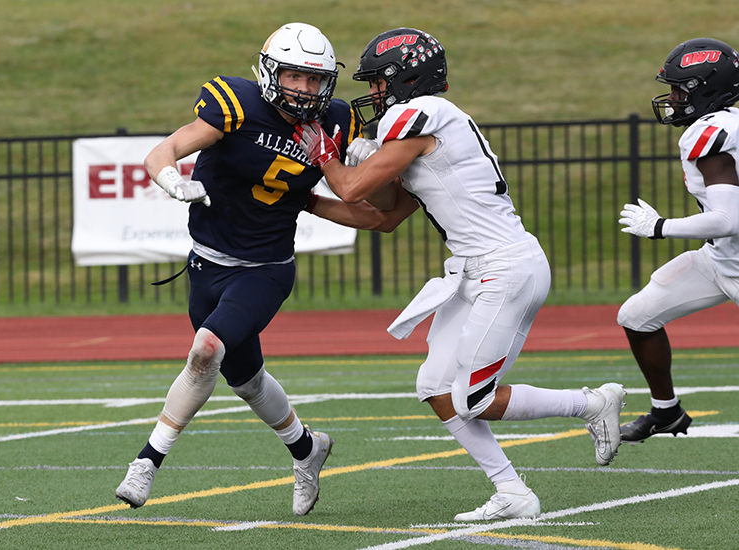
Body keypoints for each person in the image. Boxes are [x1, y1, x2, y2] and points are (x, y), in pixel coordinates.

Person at [295, 27, 627, 521]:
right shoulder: (421, 130)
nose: (373, 95)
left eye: (378, 83)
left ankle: (591, 403)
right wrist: (305, 201)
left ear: (404, 79)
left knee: (472, 397)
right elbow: (382, 215)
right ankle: (512, 492)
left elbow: (352, 187)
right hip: (474, 270)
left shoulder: (421, 114)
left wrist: (325, 156)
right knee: (435, 385)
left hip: (505, 266)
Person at [114, 22, 361, 516]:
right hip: (206, 265)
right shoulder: (237, 104)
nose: (305, 90)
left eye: (315, 80)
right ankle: (308, 450)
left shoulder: (337, 123)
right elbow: (160, 151)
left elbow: (366, 202)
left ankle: (147, 461)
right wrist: (171, 180)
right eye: (294, 76)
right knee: (245, 378)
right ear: (272, 73)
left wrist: (353, 176)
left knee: (206, 350)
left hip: (265, 268)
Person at [617, 38, 739, 444]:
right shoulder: (728, 124)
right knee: (637, 315)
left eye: (680, 90)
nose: (672, 98)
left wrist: (660, 226)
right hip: (721, 261)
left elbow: (727, 219)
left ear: (706, 88)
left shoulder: (709, 133)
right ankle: (665, 412)